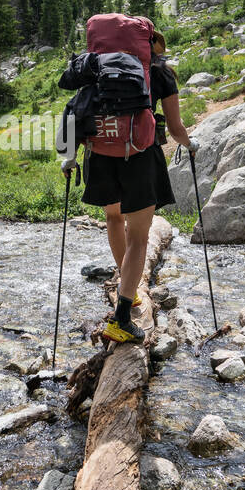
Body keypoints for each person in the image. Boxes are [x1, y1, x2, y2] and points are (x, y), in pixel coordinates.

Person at [64, 28, 194, 343]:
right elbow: (175, 128)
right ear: (148, 44)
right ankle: (123, 317)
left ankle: (128, 290)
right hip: (140, 157)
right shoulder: (160, 72)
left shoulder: (94, 68)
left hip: (99, 156)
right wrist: (192, 145)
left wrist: (68, 159)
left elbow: (73, 113)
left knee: (113, 218)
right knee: (138, 238)